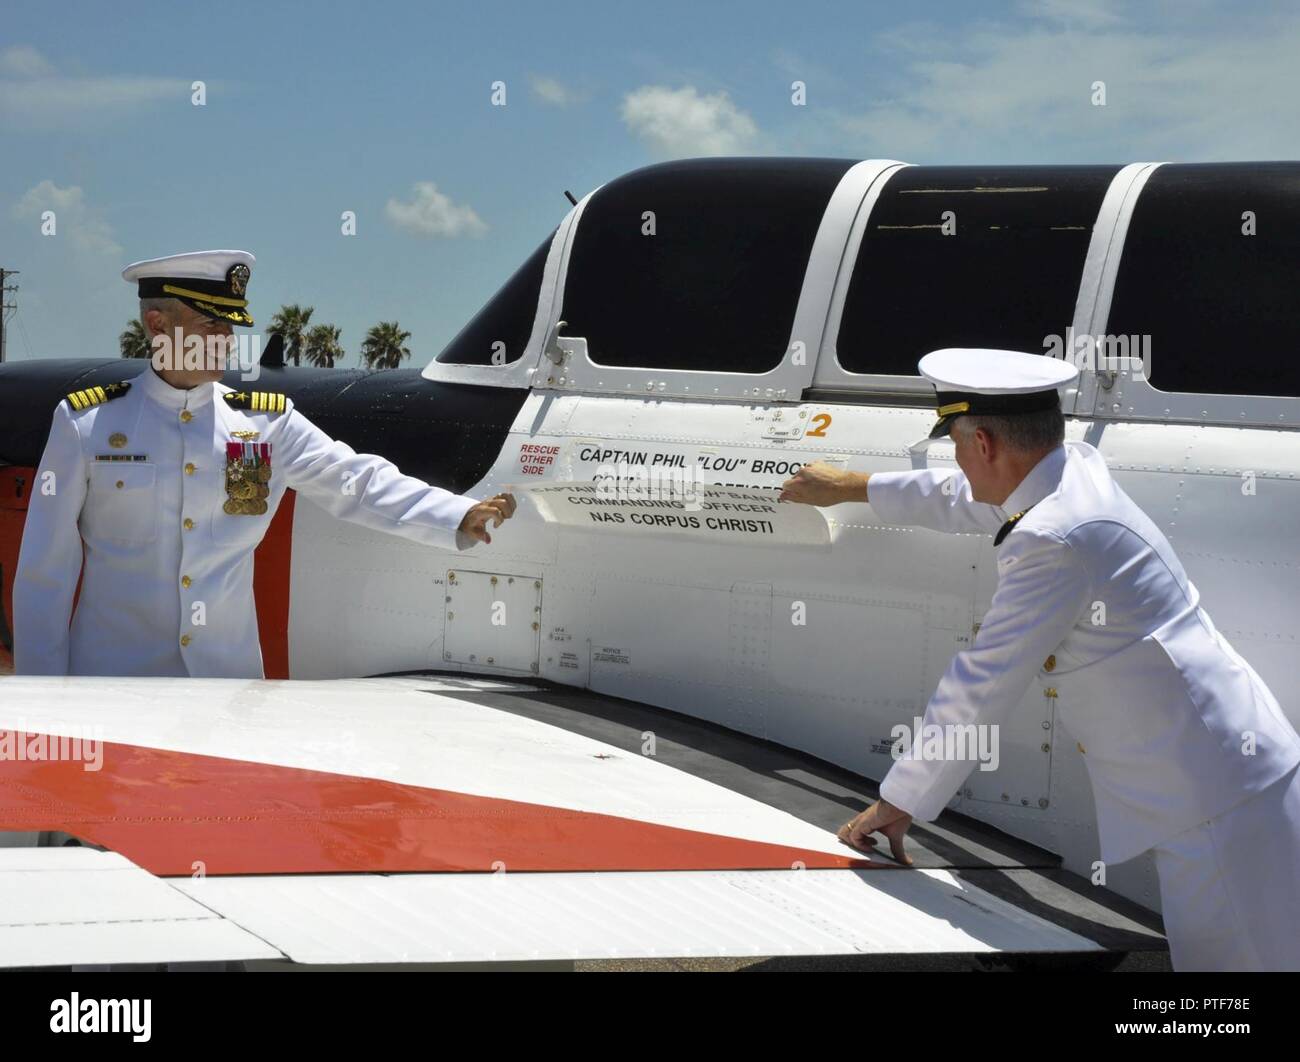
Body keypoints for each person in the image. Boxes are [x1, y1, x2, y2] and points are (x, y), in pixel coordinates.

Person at [779, 347, 1300, 971]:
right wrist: (854, 487)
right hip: (1224, 774)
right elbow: (966, 496)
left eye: (958, 445)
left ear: (986, 444)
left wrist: (901, 799)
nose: (960, 464)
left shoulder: (1054, 540)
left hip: (1212, 801)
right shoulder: (1071, 472)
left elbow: (983, 682)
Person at [14, 250, 516, 679]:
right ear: (157, 324)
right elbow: (45, 572)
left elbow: (355, 481)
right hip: (113, 691)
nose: (228, 338)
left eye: (231, 324)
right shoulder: (87, 424)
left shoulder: (264, 426)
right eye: (212, 322)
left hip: (224, 694)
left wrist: (456, 514)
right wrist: (42, 701)